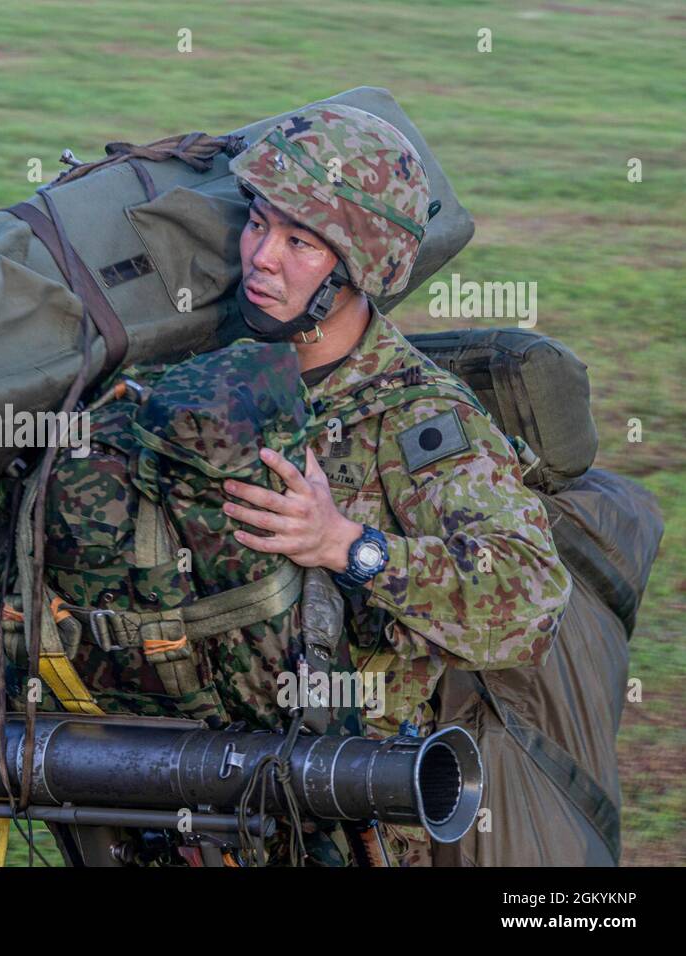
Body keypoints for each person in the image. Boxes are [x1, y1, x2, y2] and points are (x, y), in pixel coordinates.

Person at [220, 104, 572, 865]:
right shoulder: (213, 379)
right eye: (257, 223)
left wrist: (348, 546)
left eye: (299, 241)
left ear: (360, 266)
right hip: (187, 780)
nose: (262, 255)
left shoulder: (418, 420)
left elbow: (530, 597)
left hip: (343, 807)